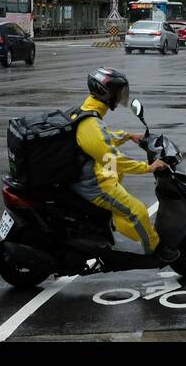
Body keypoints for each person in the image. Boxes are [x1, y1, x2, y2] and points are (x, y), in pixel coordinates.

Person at [70, 68, 176, 261]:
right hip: (94, 184)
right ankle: (155, 251)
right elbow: (112, 156)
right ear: (105, 93)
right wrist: (148, 167)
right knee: (138, 211)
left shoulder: (87, 112)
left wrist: (127, 136)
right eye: (117, 93)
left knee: (117, 177)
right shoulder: (90, 125)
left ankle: (113, 224)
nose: (120, 97)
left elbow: (103, 138)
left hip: (89, 172)